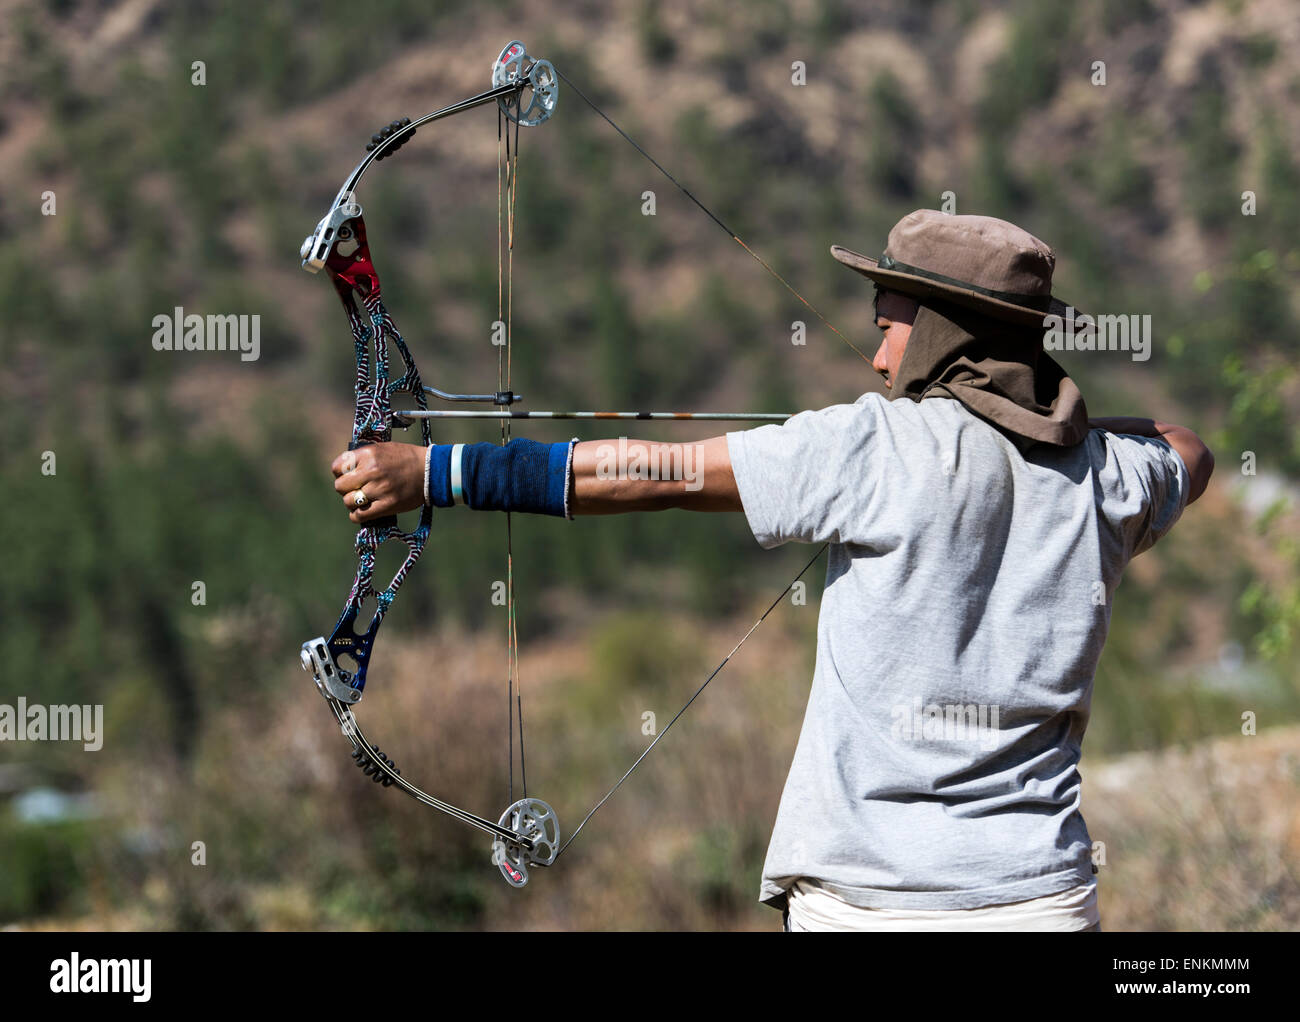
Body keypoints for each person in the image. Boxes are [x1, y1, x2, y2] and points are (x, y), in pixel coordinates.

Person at [330, 209, 1214, 931]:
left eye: (890, 332)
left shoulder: (873, 446)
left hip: (871, 907)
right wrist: (1058, 427)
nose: (877, 359)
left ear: (946, 335)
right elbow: (1190, 447)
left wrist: (437, 474)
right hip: (1043, 900)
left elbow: (644, 474)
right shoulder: (1112, 475)